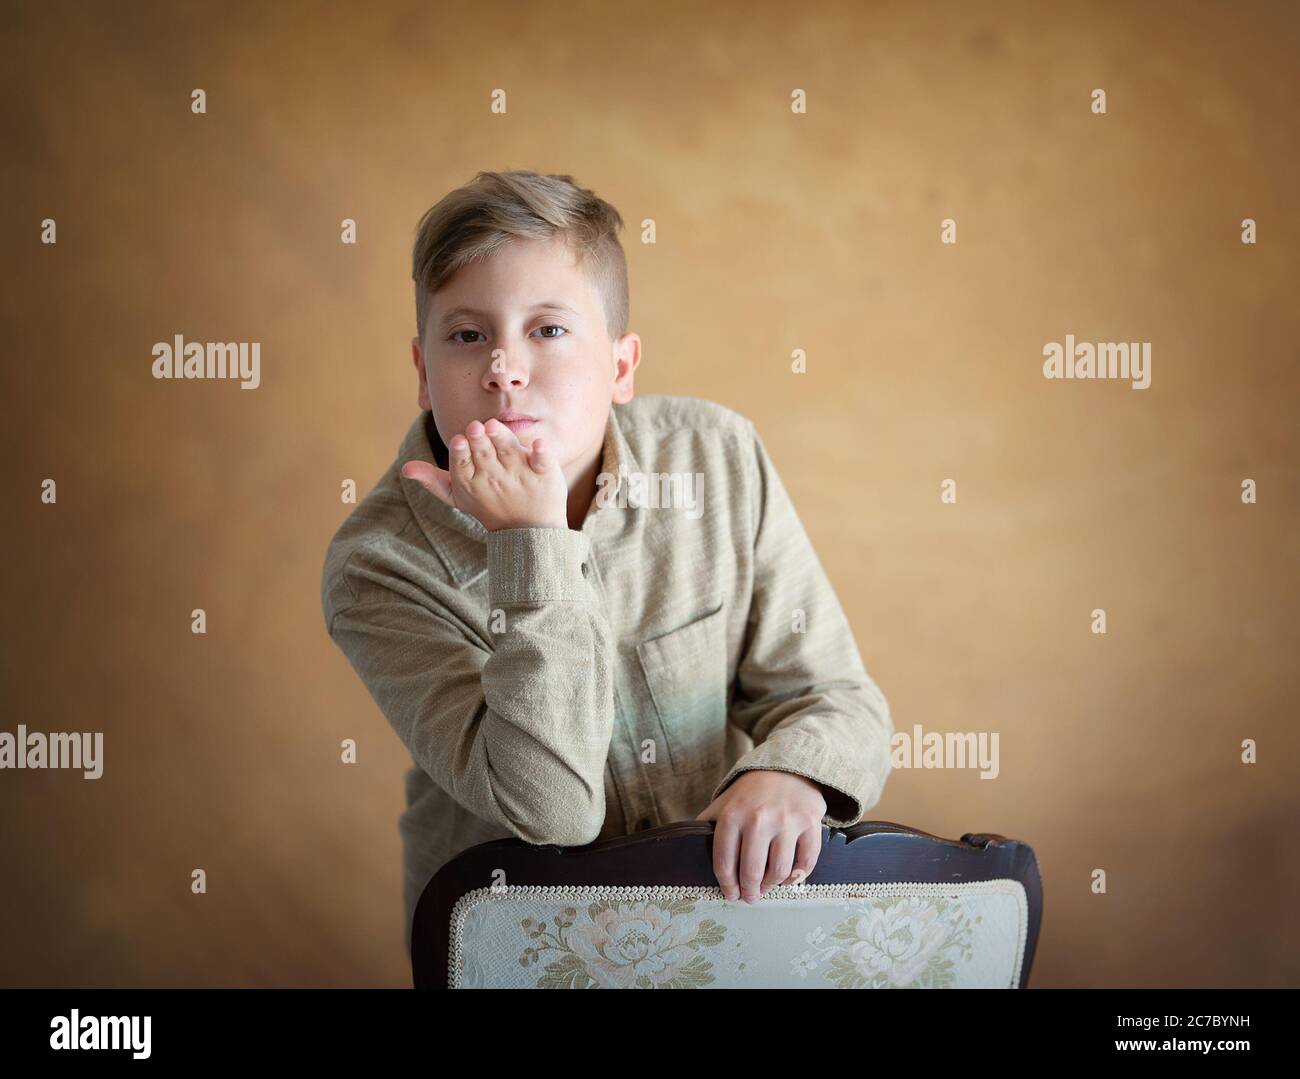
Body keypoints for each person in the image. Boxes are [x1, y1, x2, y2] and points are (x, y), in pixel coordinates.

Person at [320, 169, 893, 959]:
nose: (504, 369)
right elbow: (553, 811)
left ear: (621, 367)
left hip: (725, 927)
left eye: (548, 330)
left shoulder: (718, 458)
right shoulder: (376, 565)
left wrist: (794, 775)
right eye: (467, 334)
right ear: (423, 372)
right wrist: (532, 543)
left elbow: (837, 699)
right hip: (518, 944)